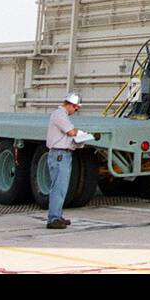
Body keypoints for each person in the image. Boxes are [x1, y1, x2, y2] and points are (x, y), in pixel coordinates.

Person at [45, 93, 86, 230]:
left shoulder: (61, 115)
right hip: (59, 155)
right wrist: (81, 133)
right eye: (76, 108)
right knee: (58, 187)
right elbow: (71, 132)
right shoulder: (59, 115)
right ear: (71, 105)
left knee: (61, 187)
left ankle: (57, 215)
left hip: (63, 155)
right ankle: (53, 219)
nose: (76, 111)